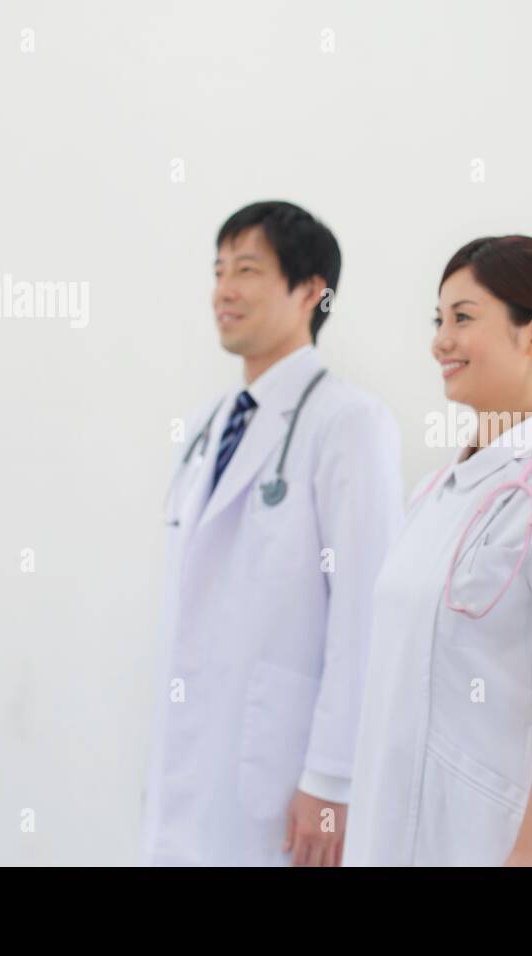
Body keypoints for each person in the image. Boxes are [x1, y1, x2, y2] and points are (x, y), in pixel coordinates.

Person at [344, 236, 532, 866]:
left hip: (489, 839)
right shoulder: (432, 494)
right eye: (438, 320)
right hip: (388, 834)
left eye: (463, 318)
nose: (440, 341)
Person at [144, 200, 402, 866]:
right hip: (194, 758)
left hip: (285, 772)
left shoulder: (349, 423)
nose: (224, 290)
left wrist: (331, 779)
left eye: (248, 269)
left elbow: (364, 615)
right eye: (219, 269)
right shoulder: (206, 426)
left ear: (312, 291)